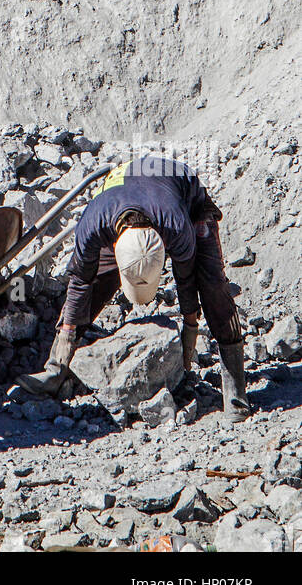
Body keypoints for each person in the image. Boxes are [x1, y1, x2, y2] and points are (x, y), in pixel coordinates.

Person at [17, 154, 252, 424]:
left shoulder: (177, 225)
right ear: (115, 247)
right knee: (95, 281)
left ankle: (236, 390)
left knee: (212, 285)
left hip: (186, 199)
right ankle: (56, 369)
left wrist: (190, 332)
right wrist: (62, 351)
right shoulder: (94, 225)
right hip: (125, 194)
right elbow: (79, 282)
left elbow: (186, 281)